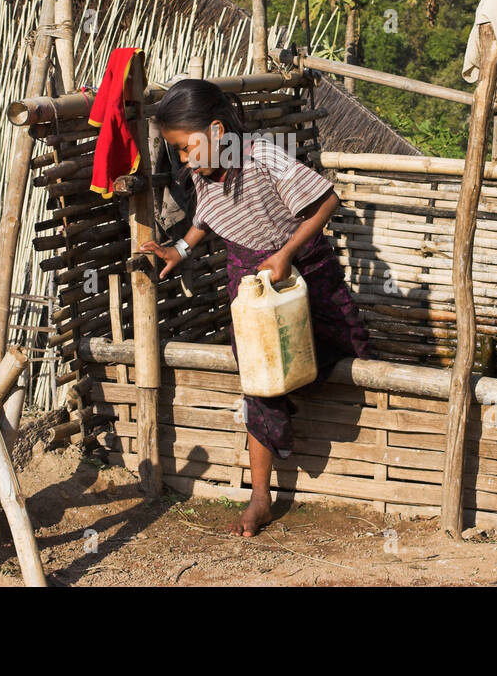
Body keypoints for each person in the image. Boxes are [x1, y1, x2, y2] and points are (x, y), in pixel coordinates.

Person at [141, 79, 374, 537]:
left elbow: (326, 200)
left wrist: (286, 255)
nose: (184, 160)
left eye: (187, 148)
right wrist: (180, 250)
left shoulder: (262, 156)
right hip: (249, 285)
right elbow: (206, 219)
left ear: (216, 131)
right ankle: (262, 497)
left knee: (352, 352)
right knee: (260, 376)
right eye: (178, 153)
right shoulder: (201, 172)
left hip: (305, 272)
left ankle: (364, 461)